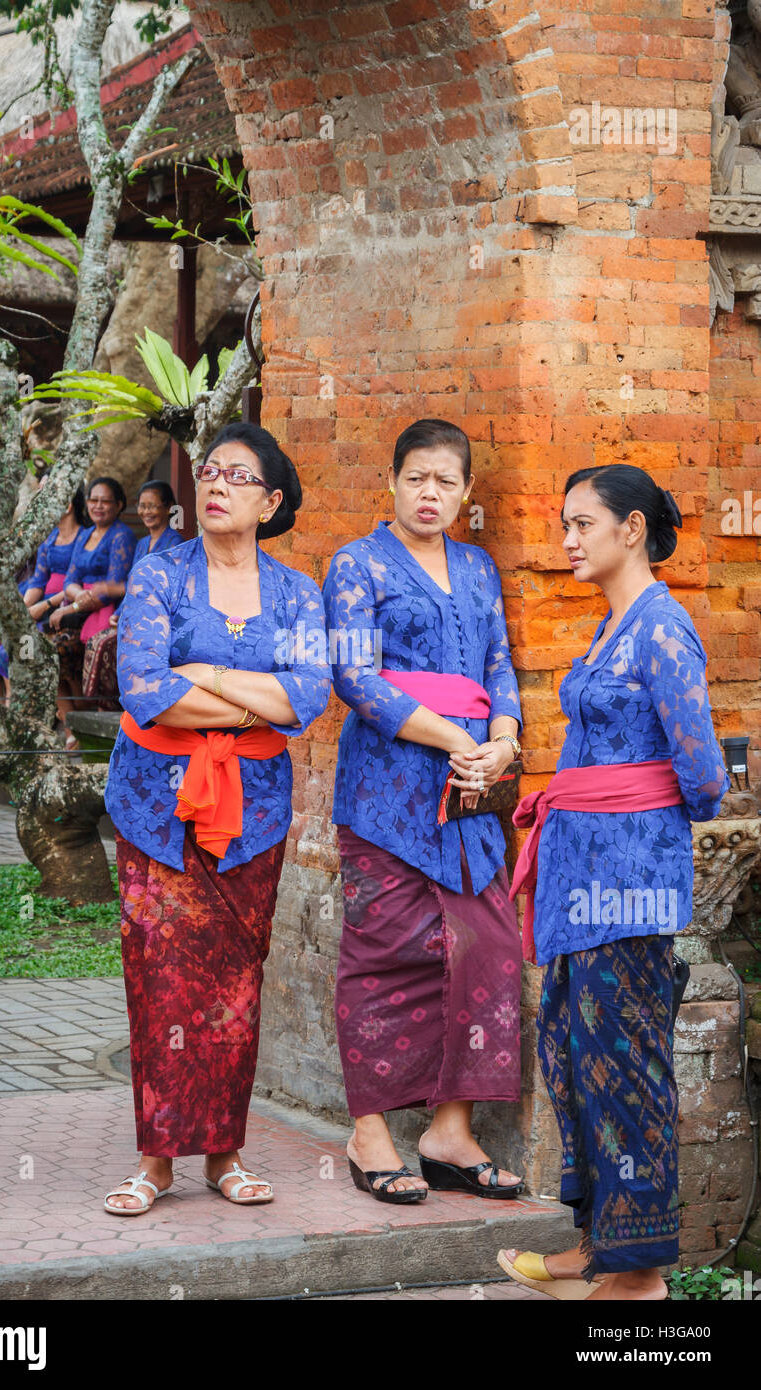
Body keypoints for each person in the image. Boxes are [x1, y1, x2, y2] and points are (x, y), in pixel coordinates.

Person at [499, 464, 728, 1301]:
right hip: (580, 881)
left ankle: (638, 1275)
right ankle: (602, 1245)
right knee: (574, 1052)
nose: (566, 539)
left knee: (626, 1068)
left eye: (582, 523)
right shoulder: (613, 626)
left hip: (629, 884)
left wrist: (620, 803)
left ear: (631, 529)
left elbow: (703, 777)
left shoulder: (663, 629)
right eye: (564, 523)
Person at [102, 422, 330, 1214]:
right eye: (208, 471)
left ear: (270, 501)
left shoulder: (300, 593)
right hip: (153, 807)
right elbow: (143, 688)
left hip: (254, 809)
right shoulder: (158, 574)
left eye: (237, 475)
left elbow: (305, 698)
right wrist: (246, 688)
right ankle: (157, 1159)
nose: (216, 484)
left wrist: (205, 672)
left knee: (235, 982)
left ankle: (224, 1153)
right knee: (160, 980)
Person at [322, 419, 524, 1203]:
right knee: (382, 953)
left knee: (488, 944)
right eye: (416, 478)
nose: (429, 494)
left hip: (471, 791)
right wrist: (450, 736)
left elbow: (500, 660)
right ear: (393, 482)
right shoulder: (357, 564)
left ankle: (449, 1130)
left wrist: (503, 739)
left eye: (445, 481)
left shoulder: (478, 569)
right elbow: (354, 675)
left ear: (467, 492)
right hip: (386, 789)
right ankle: (369, 1129)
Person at [0, 485, 89, 701]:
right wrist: (23, 609)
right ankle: (2, 700)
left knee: (15, 649)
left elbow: (79, 581)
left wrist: (43, 607)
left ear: (68, 505)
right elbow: (38, 581)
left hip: (65, 606)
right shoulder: (50, 539)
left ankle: (18, 702)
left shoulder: (84, 537)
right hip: (41, 603)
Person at [46, 476, 135, 748]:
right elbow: (70, 578)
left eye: (105, 501)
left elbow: (111, 587)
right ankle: (73, 725)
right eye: (93, 500)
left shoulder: (121, 535)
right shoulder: (85, 533)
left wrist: (74, 605)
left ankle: (83, 724)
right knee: (46, 653)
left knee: (62, 651)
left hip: (102, 610)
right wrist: (76, 596)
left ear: (119, 505)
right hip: (79, 605)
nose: (98, 506)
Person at [82, 481, 181, 711]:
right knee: (98, 640)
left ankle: (118, 706)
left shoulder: (174, 542)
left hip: (156, 619)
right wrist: (118, 614)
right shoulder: (143, 543)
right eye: (142, 506)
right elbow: (132, 585)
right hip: (131, 616)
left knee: (105, 645)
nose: (146, 512)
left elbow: (166, 588)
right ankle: (103, 708)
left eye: (153, 506)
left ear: (168, 508)